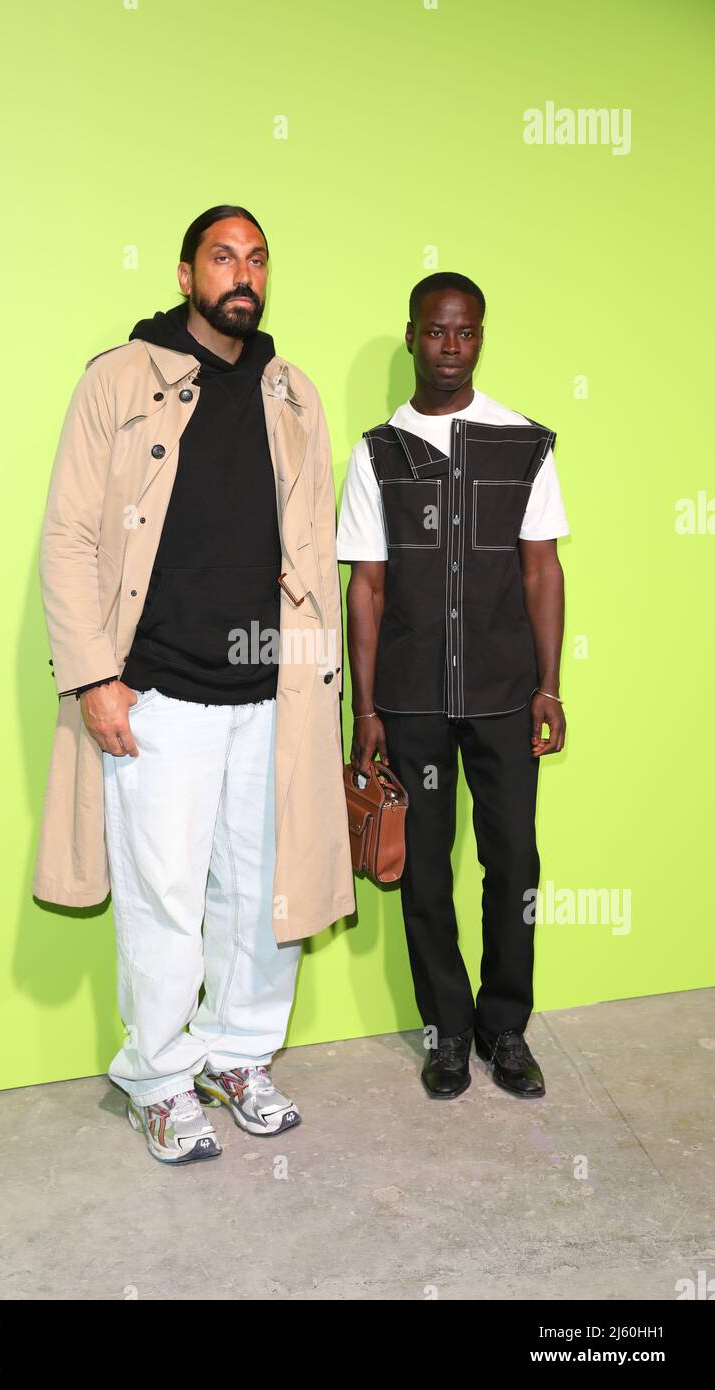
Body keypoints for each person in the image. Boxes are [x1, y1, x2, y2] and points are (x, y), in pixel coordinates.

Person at [33, 206, 354, 1163]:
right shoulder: (119, 380)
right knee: (164, 897)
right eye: (223, 257)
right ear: (185, 274)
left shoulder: (293, 394)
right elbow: (69, 536)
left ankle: (241, 1053)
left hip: (275, 696)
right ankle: (163, 1075)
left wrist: (319, 686)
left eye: (257, 259)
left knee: (263, 891)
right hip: (159, 691)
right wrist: (96, 676)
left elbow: (315, 550)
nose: (242, 274)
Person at [337, 271, 568, 1100]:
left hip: (507, 694)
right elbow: (364, 586)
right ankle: (447, 1029)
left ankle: (506, 1029)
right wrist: (364, 708)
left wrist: (550, 686)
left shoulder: (524, 442)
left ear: (480, 338)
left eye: (465, 332)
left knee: (514, 860)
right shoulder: (377, 453)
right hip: (411, 699)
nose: (450, 347)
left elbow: (542, 572)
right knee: (424, 869)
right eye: (435, 331)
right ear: (411, 336)